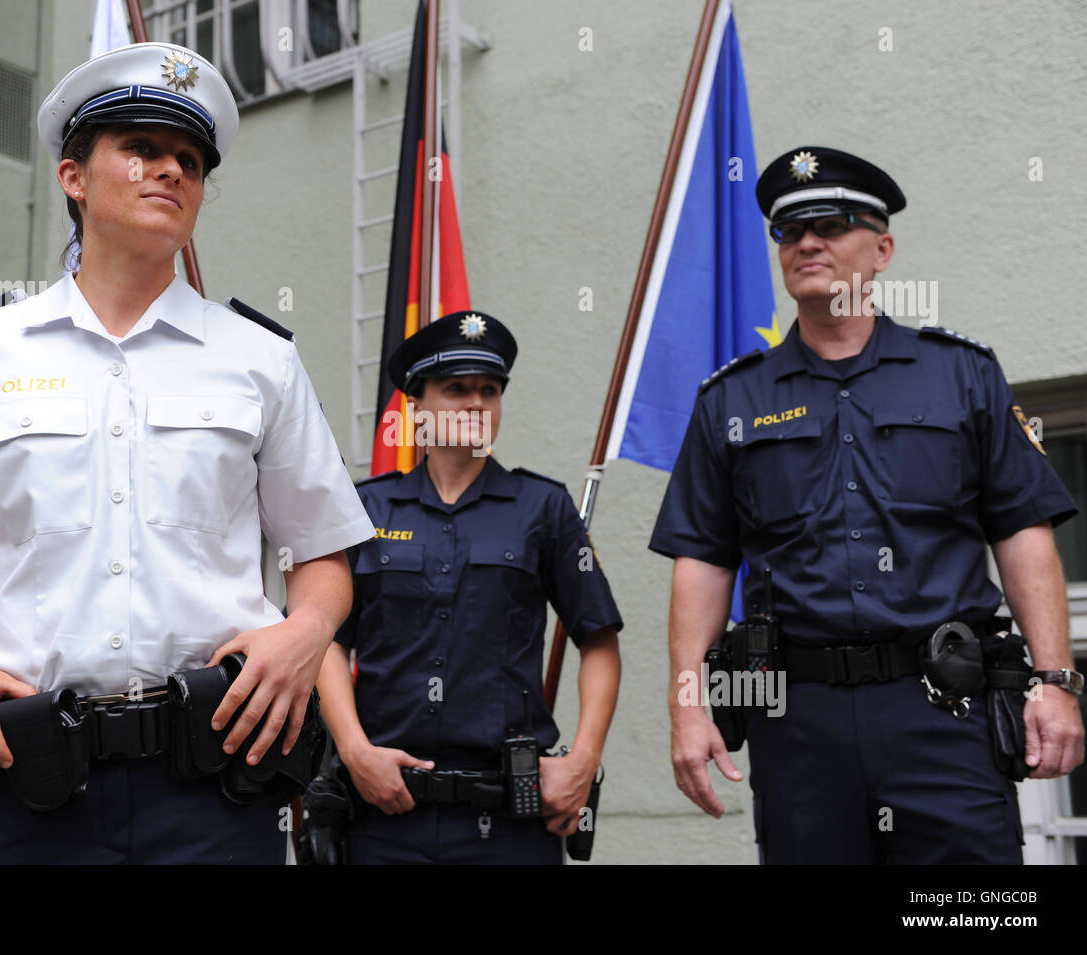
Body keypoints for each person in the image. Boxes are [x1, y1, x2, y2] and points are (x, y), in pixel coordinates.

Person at [0, 42, 376, 864]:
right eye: (142, 150)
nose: (171, 171)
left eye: (190, 161)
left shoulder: (259, 360)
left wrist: (307, 629)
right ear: (73, 177)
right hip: (26, 783)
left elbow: (324, 551)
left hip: (221, 786)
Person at [651, 146, 1084, 864]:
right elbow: (703, 559)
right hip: (799, 719)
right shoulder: (731, 399)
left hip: (944, 706)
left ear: (881, 249)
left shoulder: (961, 375)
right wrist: (688, 700)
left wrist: (1056, 680)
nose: (808, 243)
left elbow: (1021, 532)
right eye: (790, 232)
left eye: (831, 224)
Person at [316, 310, 623, 864]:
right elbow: (329, 642)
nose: (477, 403)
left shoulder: (544, 509)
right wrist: (355, 750)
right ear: (417, 405)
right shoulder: (366, 509)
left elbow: (598, 639)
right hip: (385, 813)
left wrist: (582, 760)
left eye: (489, 390)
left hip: (507, 821)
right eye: (456, 389)